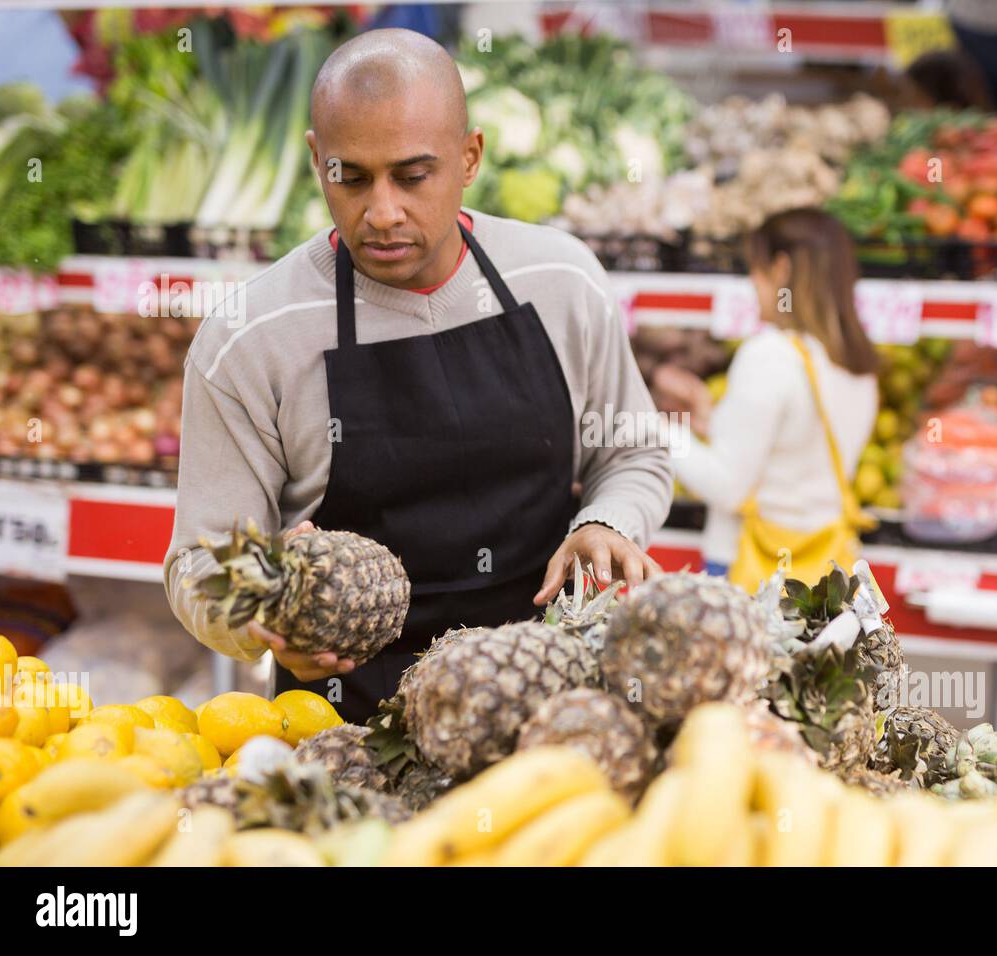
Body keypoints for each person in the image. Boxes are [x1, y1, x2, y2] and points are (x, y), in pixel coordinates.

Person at [164, 30, 671, 722]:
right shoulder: (249, 338)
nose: (381, 212)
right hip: (349, 732)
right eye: (349, 176)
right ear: (316, 158)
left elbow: (634, 449)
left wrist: (610, 523)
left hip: (558, 712)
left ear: (470, 157)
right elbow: (197, 565)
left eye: (412, 175)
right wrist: (261, 611)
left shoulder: (560, 279)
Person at [655, 209, 879, 588]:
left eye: (755, 270)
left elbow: (728, 487)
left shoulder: (769, 354)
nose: (752, 284)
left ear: (781, 269)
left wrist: (652, 427)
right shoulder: (858, 364)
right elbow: (797, 451)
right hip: (824, 574)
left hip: (752, 571)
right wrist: (715, 419)